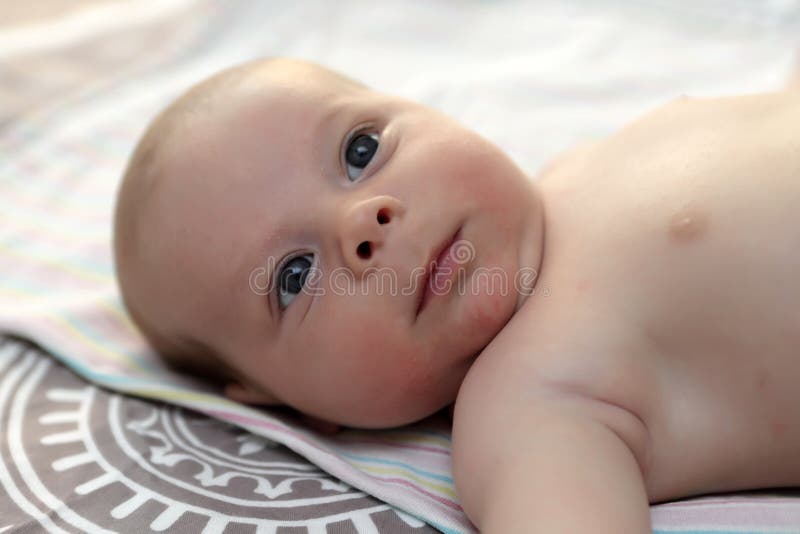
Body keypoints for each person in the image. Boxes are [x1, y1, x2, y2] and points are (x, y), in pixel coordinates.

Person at [114, 57, 800, 532]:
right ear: (289, 401)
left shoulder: (573, 170)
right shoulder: (526, 407)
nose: (364, 221)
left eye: (360, 150)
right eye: (294, 276)